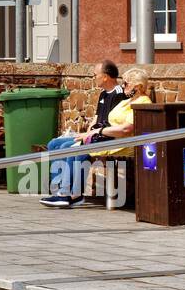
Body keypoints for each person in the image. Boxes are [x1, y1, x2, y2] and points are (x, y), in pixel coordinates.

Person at [39, 61, 130, 208]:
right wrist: (85, 134)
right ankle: (59, 189)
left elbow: (112, 123)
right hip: (94, 134)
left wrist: (87, 137)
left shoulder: (118, 94)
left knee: (68, 147)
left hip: (105, 137)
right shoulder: (103, 93)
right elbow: (96, 118)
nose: (93, 78)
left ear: (105, 76)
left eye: (95, 75)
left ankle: (69, 194)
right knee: (54, 144)